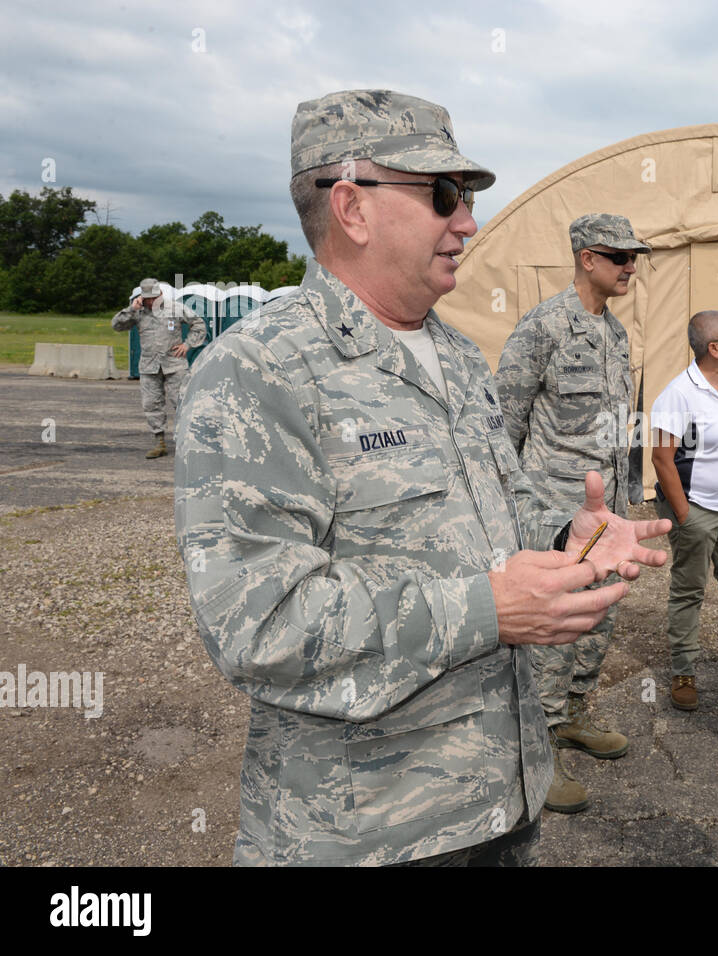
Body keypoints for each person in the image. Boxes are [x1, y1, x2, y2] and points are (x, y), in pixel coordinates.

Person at [173, 89, 669, 867]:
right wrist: (488, 608)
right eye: (443, 195)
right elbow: (258, 625)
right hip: (369, 835)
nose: (466, 220)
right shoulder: (260, 372)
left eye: (466, 198)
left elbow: (492, 511)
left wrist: (561, 536)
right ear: (353, 208)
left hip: (501, 804)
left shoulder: (461, 359)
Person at [494, 212, 651, 814]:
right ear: (588, 258)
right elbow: (503, 425)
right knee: (554, 631)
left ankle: (572, 715)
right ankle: (537, 747)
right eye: (620, 257)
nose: (630, 267)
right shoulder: (542, 328)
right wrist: (509, 512)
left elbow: (620, 421)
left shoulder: (614, 334)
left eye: (634, 258)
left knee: (599, 621)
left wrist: (629, 494)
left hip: (604, 513)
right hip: (553, 513)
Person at [650, 310, 718, 711]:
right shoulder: (679, 394)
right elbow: (661, 458)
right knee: (689, 589)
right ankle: (684, 670)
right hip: (696, 510)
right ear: (715, 349)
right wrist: (684, 516)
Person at [111, 278, 207, 459]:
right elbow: (116, 325)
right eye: (147, 298)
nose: (151, 301)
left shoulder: (175, 308)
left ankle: (187, 441)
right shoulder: (138, 312)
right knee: (151, 404)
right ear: (142, 297)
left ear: (160, 294)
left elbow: (199, 325)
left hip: (175, 365)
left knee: (182, 402)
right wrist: (132, 309)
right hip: (149, 366)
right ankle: (159, 442)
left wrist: (187, 345)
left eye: (154, 297)